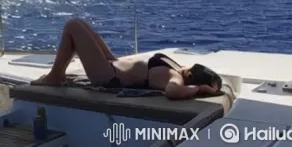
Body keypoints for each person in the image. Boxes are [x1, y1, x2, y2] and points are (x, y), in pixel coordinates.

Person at [33, 18, 222, 99]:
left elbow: (172, 92)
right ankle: (57, 73)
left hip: (109, 76)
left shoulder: (176, 78)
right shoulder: (177, 67)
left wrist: (198, 89)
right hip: (112, 62)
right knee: (80, 23)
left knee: (72, 26)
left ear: (190, 75)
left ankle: (55, 76)